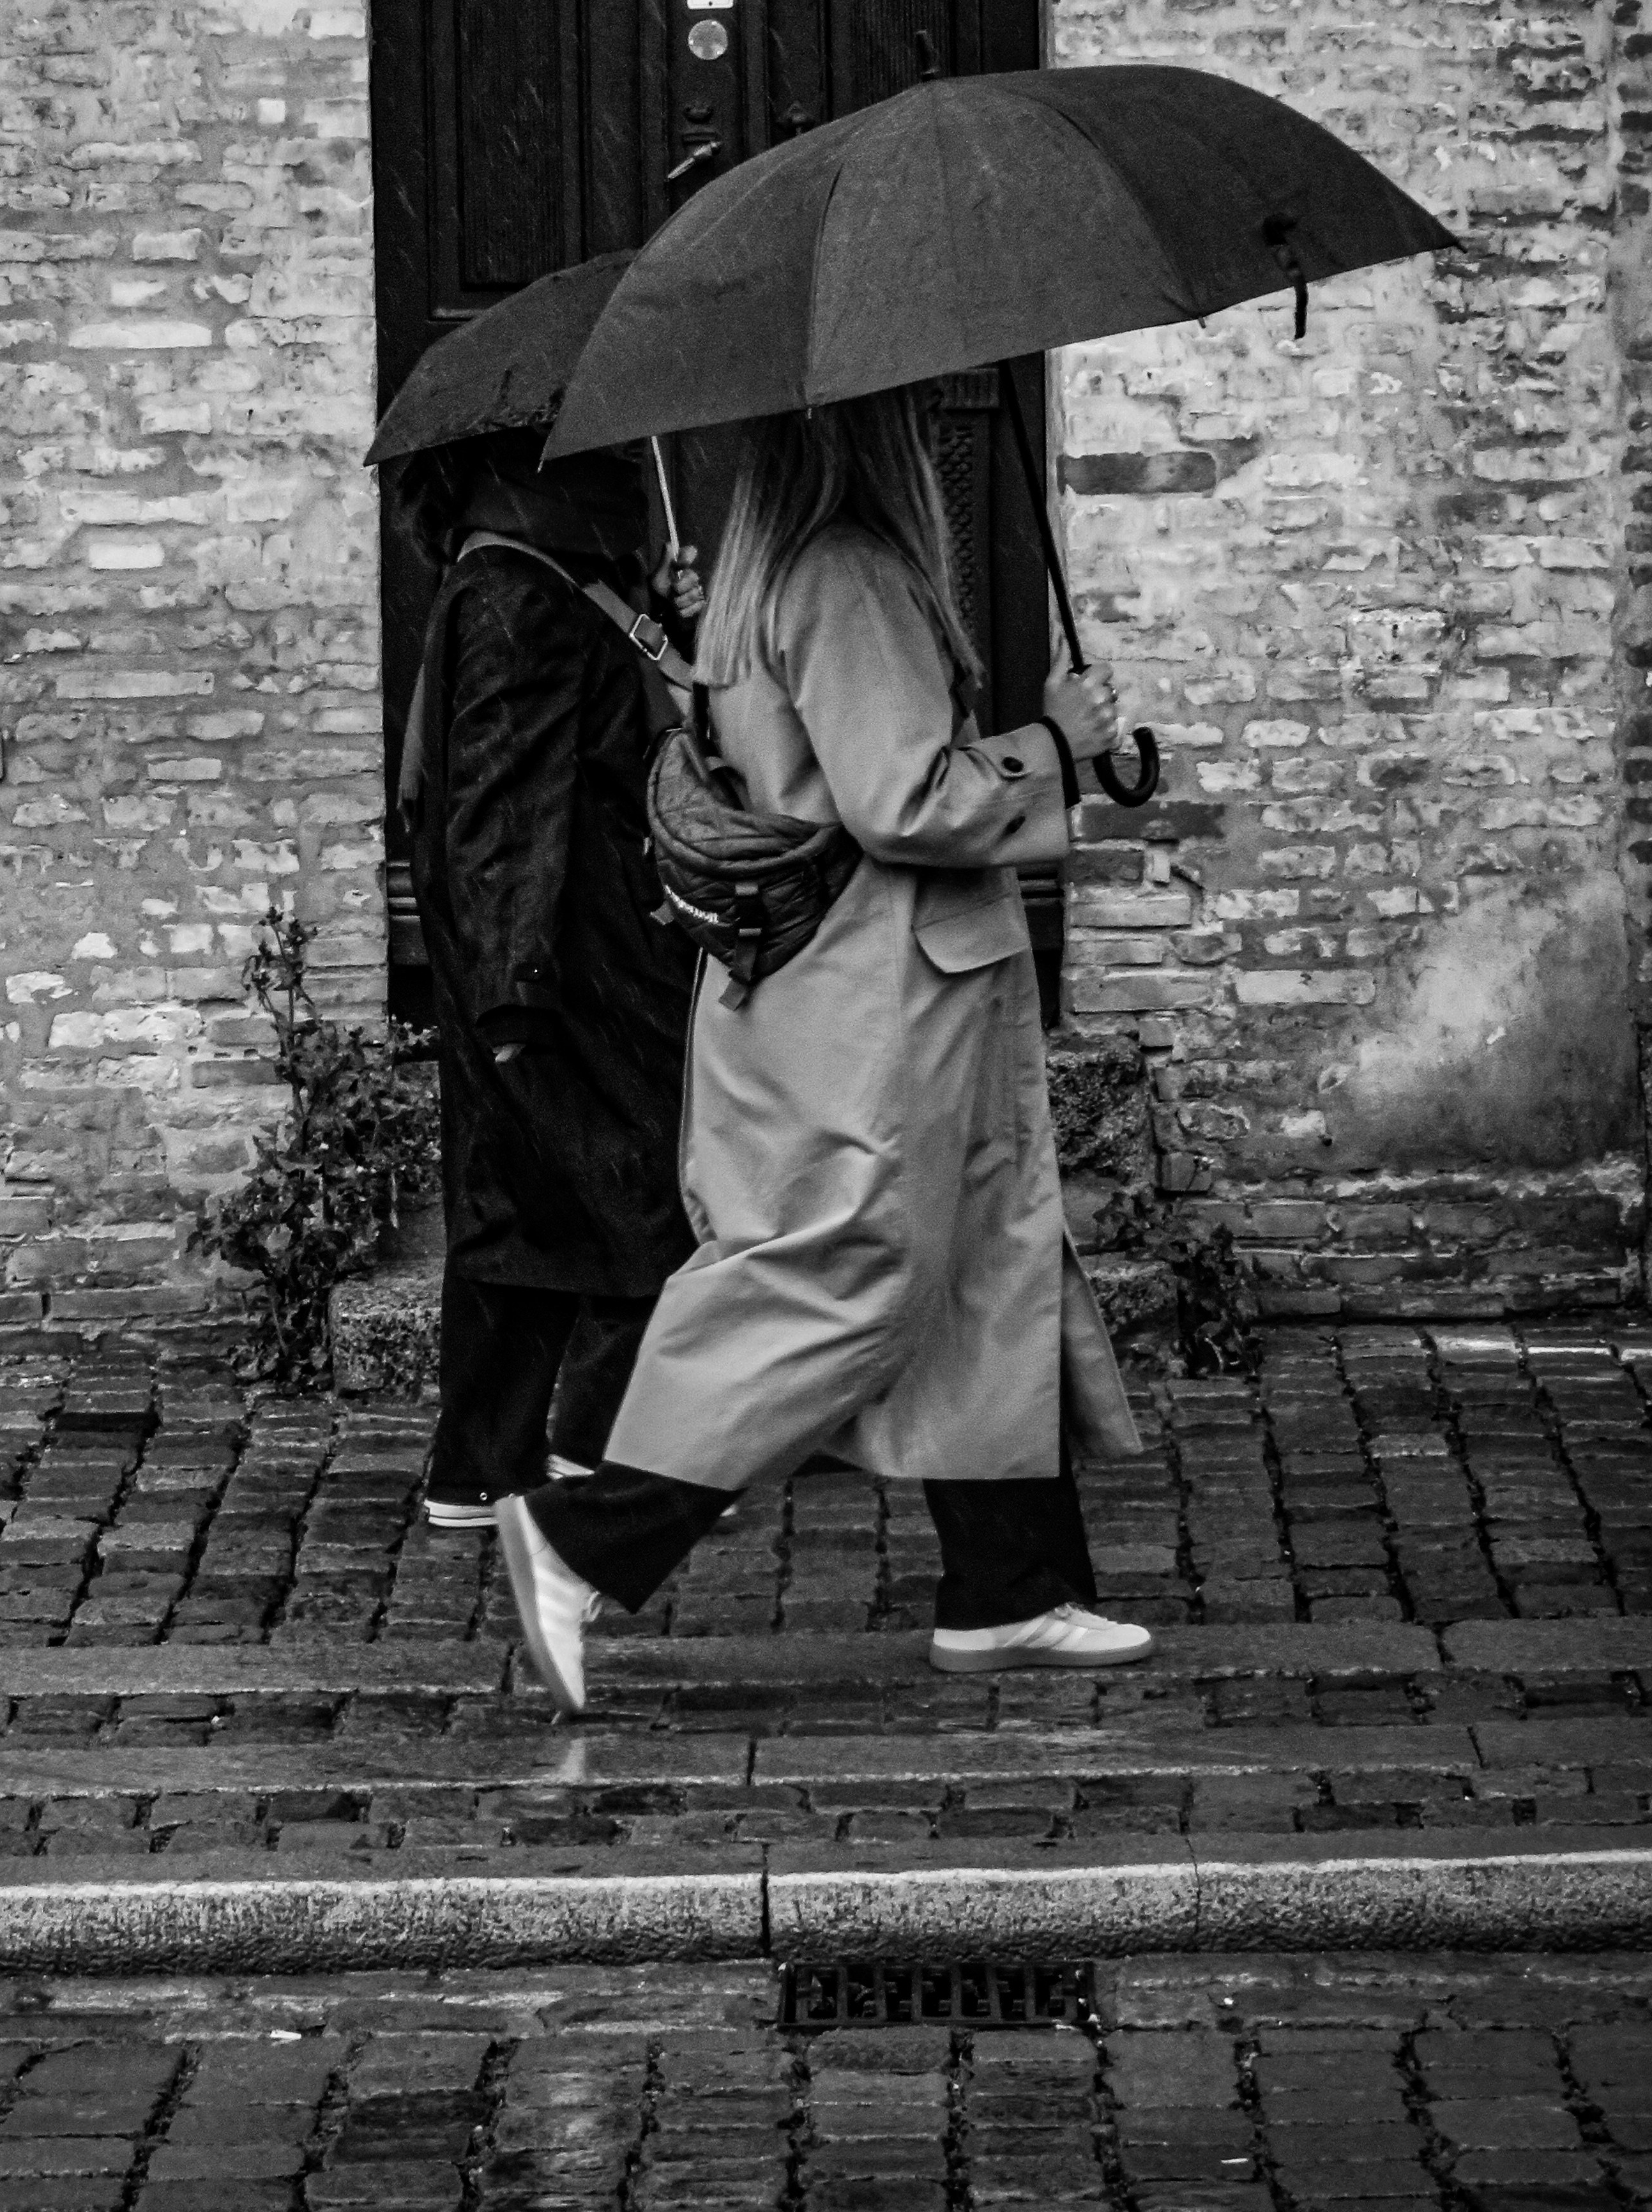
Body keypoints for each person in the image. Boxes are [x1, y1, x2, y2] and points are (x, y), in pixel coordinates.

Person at [492, 381, 1149, 1711]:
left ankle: (1009, 1592)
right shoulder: (846, 576)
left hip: (853, 987)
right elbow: (904, 797)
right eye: (908, 423)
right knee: (837, 1278)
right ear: (877, 439)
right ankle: (585, 1540)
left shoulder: (762, 579)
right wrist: (1056, 750)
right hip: (879, 996)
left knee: (972, 1272)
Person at [400, 426, 701, 1527]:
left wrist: (652, 619)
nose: (624, 467)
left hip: (549, 964)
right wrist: (516, 998)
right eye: (599, 454)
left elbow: (590, 738)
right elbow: (500, 806)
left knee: (520, 1220)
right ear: (536, 467)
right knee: (655, 1207)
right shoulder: (516, 594)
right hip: (579, 968)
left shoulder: (539, 579)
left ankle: (479, 1470)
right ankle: (591, 1456)